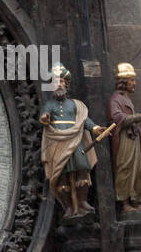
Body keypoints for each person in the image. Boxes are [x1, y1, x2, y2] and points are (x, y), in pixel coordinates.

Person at [39, 63, 105, 218]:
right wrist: (45, 118)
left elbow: (84, 120)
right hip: (57, 142)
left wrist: (94, 128)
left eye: (61, 81)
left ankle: (82, 201)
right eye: (55, 82)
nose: (59, 85)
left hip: (75, 141)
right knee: (60, 175)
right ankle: (68, 206)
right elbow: (44, 117)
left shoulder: (75, 105)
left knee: (82, 169)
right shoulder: (49, 105)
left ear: (66, 84)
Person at [108, 62, 141, 213]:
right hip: (124, 139)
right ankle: (124, 203)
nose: (134, 83)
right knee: (125, 169)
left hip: (134, 138)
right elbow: (116, 117)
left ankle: (135, 202)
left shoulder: (127, 100)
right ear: (123, 82)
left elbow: (134, 123)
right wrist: (137, 117)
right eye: (131, 80)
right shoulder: (116, 99)